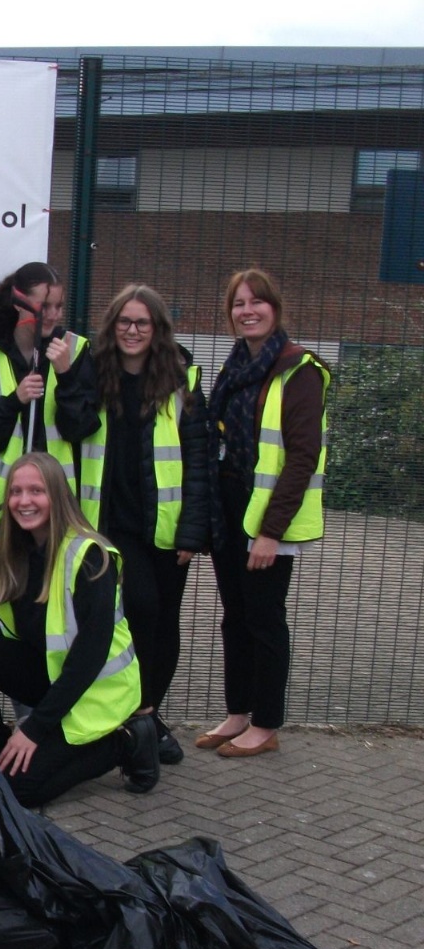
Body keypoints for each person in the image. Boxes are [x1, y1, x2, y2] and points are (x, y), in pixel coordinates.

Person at [0, 453, 159, 807]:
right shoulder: (20, 550)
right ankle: (3, 755)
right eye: (15, 491)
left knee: (18, 794)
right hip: (55, 677)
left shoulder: (90, 556)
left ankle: (127, 741)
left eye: (36, 491)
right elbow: (13, 628)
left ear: (57, 496)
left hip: (97, 694)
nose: (23, 501)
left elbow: (88, 658)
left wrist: (34, 728)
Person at [54, 284, 208, 764]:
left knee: (165, 622)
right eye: (124, 322)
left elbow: (199, 459)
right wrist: (63, 376)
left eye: (142, 322)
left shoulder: (183, 381)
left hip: (164, 527)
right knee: (137, 608)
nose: (133, 330)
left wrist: (192, 531)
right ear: (111, 326)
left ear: (157, 328)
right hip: (107, 524)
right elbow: (72, 427)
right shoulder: (93, 372)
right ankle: (128, 712)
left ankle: (149, 717)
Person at [198, 269, 330, 757]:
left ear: (275, 309)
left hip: (268, 518)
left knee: (264, 618)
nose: (247, 311)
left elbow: (302, 457)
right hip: (229, 505)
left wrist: (271, 532)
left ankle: (267, 724)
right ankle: (238, 713)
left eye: (257, 302)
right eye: (238, 303)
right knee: (235, 615)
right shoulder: (234, 367)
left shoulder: (300, 370)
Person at [0, 263, 86, 575]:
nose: (53, 314)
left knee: (51, 597)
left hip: (56, 500)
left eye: (59, 306)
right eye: (44, 305)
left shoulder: (75, 350)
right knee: (6, 594)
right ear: (18, 302)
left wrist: (66, 377)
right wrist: (14, 401)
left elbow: (80, 429)